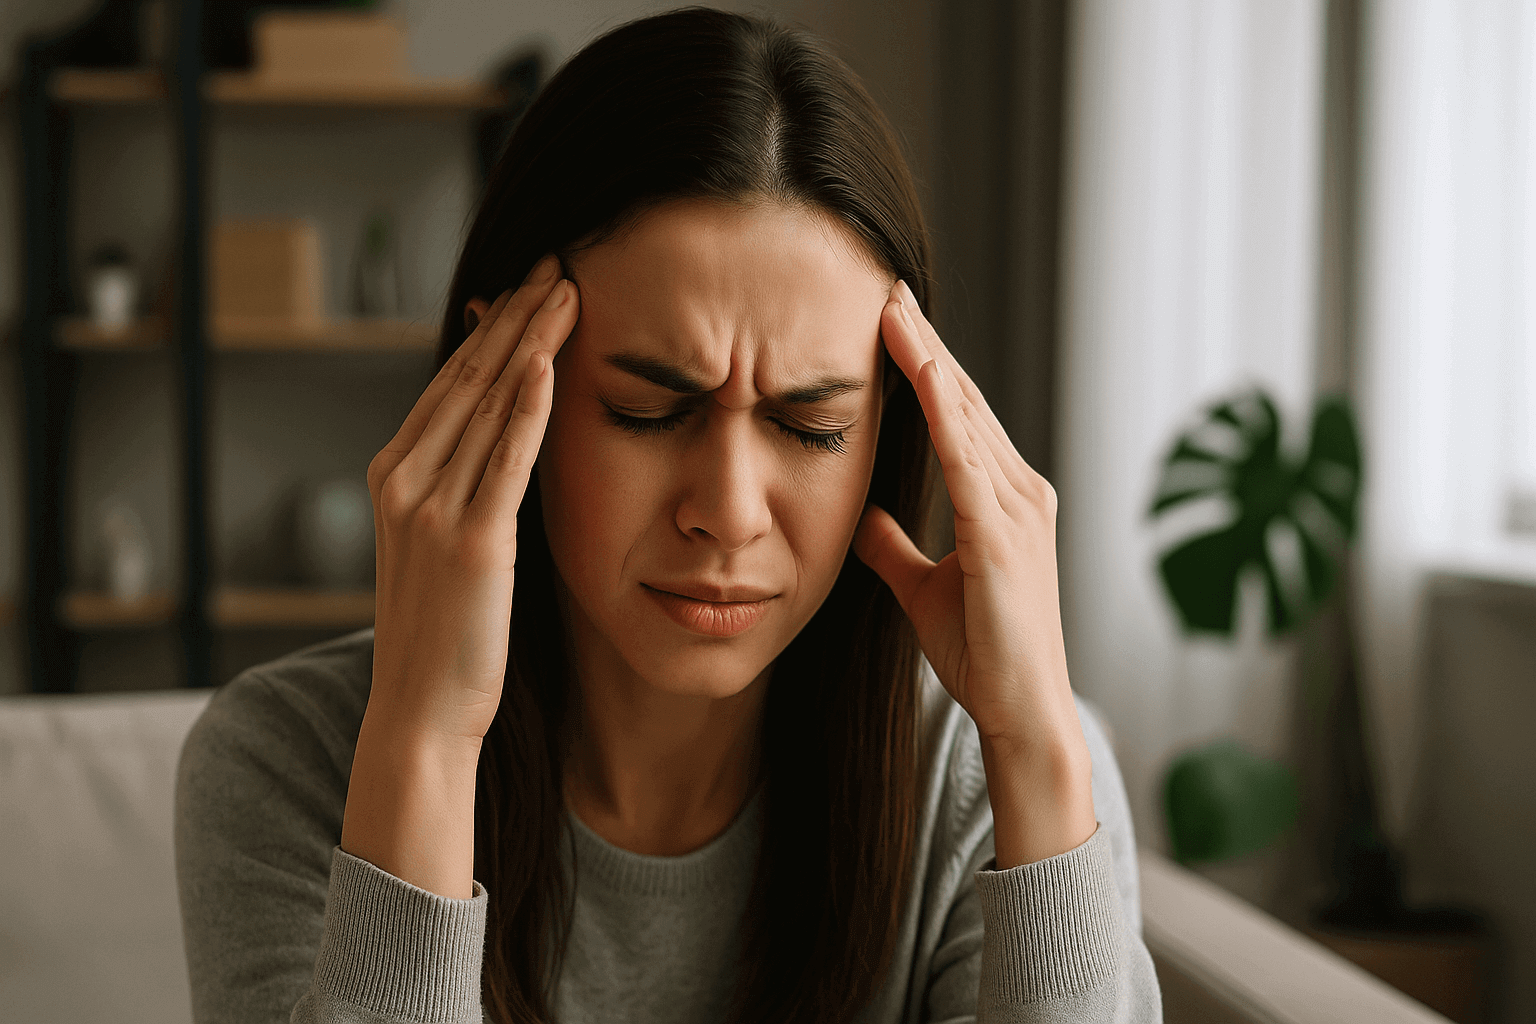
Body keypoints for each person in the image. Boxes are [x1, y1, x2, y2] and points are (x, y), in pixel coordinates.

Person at [174, 7, 1161, 1023]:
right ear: (494, 386)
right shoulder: (284, 763)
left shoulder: (995, 773)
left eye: (811, 424)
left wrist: (1037, 742)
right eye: (649, 411)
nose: (730, 514)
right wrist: (423, 744)